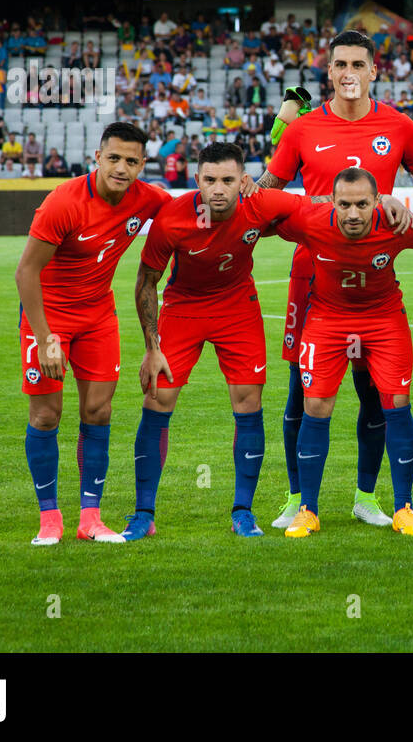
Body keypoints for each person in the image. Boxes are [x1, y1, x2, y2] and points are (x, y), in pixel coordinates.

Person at [256, 31, 413, 531]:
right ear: (329, 72)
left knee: (376, 392)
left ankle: (367, 497)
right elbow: (268, 191)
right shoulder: (302, 128)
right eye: (340, 63)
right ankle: (298, 497)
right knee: (299, 394)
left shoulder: (398, 124)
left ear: (374, 71)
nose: (349, 71)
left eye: (358, 63)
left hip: (374, 272)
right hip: (313, 273)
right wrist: (241, 192)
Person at [127, 143, 308, 541]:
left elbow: (314, 208)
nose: (219, 189)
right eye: (210, 180)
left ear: (243, 181)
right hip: (182, 309)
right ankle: (143, 514)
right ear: (197, 181)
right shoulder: (172, 218)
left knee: (248, 402)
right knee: (157, 399)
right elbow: (146, 283)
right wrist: (152, 348)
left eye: (228, 180)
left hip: (237, 308)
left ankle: (243, 511)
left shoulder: (259, 204)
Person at [13, 123, 171, 545]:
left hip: (99, 317)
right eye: (114, 158)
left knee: (98, 413)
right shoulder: (63, 203)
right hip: (49, 317)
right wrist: (47, 337)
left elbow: (190, 210)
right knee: (46, 415)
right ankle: (50, 519)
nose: (122, 168)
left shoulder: (149, 199)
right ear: (97, 157)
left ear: (142, 164)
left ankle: (90, 518)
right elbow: (26, 272)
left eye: (132, 161)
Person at [272, 167, 413, 538]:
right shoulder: (310, 220)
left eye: (362, 204)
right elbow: (264, 215)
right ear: (331, 202)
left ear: (378, 201)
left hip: (383, 320)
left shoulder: (397, 224)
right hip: (327, 320)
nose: (353, 214)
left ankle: (404, 508)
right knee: (315, 406)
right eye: (344, 204)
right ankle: (307, 510)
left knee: (395, 401)